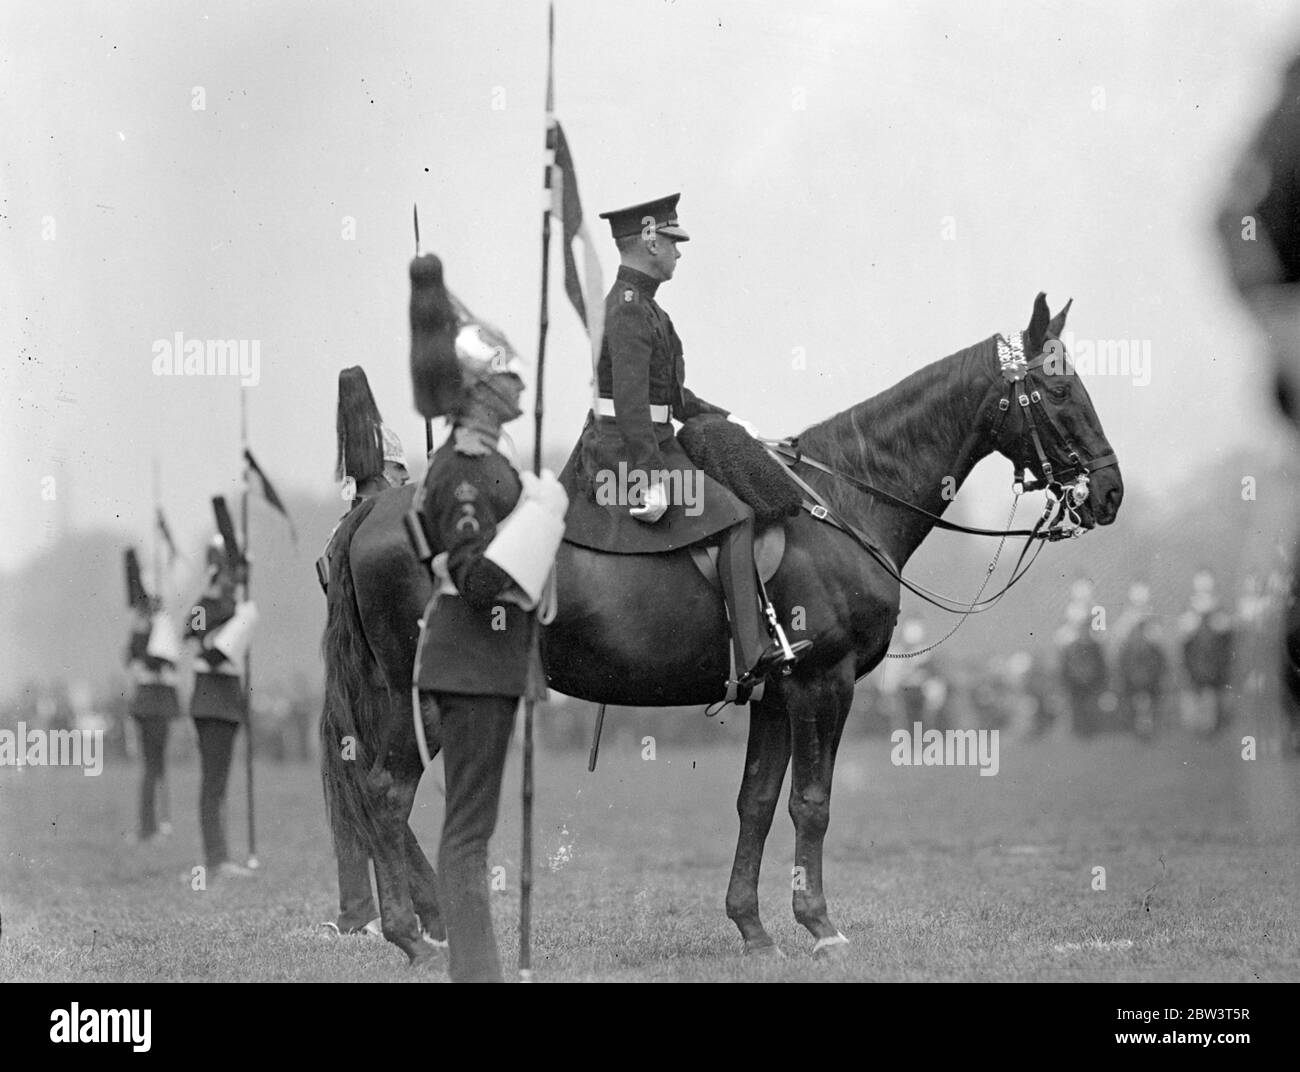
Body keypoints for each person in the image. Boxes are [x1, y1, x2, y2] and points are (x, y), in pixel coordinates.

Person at [560, 193, 810, 700]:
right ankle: (752, 653)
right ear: (650, 239)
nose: (679, 251)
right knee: (737, 515)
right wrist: (649, 477)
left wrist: (724, 418)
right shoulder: (630, 311)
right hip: (625, 455)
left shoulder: (647, 309)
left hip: (651, 442)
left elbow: (672, 399)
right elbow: (631, 405)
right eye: (673, 241)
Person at [410, 284, 569, 983]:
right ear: (478, 388)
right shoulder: (468, 470)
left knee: (473, 832)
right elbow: (475, 577)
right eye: (507, 374)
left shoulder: (485, 459)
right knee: (469, 836)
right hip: (471, 663)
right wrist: (536, 519)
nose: (519, 383)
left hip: (489, 663)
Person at [318, 365, 411, 936]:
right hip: (371, 684)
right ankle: (370, 910)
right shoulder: (359, 534)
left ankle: (369, 910)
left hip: (365, 683)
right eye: (399, 475)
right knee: (369, 788)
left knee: (365, 786)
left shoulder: (349, 533)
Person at [185, 537, 256, 879]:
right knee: (213, 783)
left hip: (227, 699)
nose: (235, 580)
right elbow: (201, 640)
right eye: (229, 573)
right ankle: (216, 858)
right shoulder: (205, 605)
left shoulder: (234, 604)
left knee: (219, 782)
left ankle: (220, 855)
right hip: (210, 700)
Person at [123, 549, 179, 842]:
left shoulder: (140, 629)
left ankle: (151, 824)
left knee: (153, 766)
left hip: (147, 700)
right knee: (154, 767)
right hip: (154, 701)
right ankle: (150, 825)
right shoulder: (154, 630)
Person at [1178, 569, 1236, 735]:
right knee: (1195, 688)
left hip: (1216, 657)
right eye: (1200, 581)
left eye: (1207, 580)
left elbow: (1226, 625)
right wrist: (1194, 618)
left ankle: (1214, 721)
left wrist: (1215, 616)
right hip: (1196, 658)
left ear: (1212, 583)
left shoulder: (1219, 604)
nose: (1203, 584)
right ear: (1195, 583)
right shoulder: (1189, 605)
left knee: (1216, 689)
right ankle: (1199, 722)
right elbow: (1183, 629)